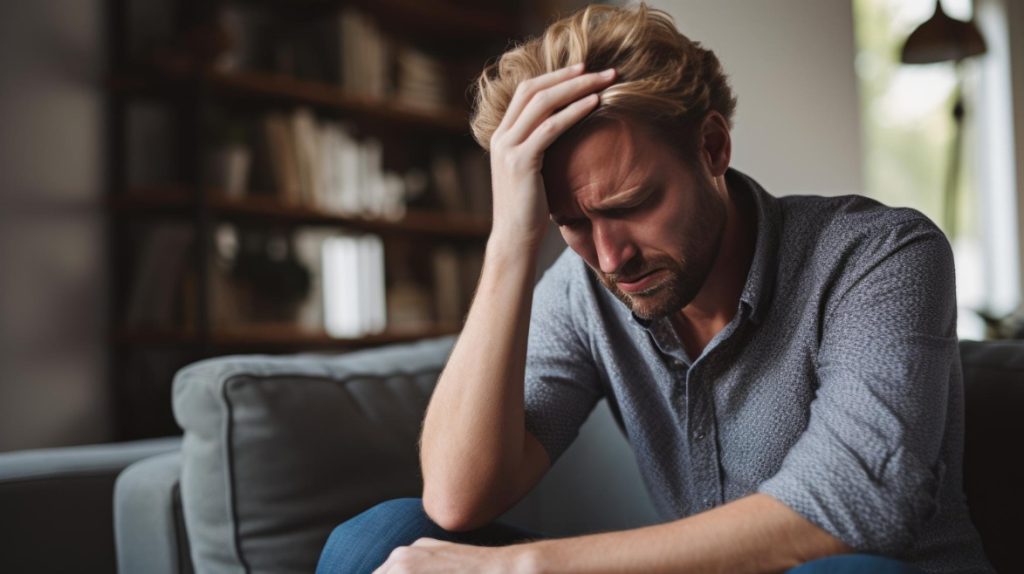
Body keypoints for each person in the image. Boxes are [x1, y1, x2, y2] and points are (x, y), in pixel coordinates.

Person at [317, 3, 994, 573]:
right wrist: (510, 242)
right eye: (571, 223)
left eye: (632, 204)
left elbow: (854, 506)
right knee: (384, 539)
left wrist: (523, 567)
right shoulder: (583, 289)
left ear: (713, 148)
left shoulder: (880, 253)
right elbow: (458, 499)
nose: (611, 257)